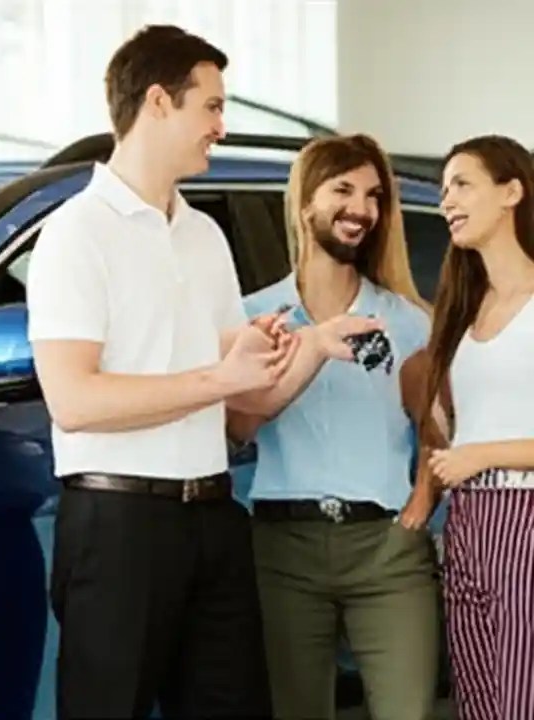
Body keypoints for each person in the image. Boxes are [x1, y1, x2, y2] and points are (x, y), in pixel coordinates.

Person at [26, 24, 343, 719]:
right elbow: (74, 400)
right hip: (118, 527)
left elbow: (240, 409)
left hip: (215, 517)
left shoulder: (203, 235)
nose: (221, 127)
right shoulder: (75, 233)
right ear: (158, 102)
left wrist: (302, 349)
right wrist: (221, 378)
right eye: (212, 106)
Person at [228, 134, 441, 720]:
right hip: (283, 547)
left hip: (386, 549)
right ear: (305, 204)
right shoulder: (254, 317)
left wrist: (419, 506)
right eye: (343, 190)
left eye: (373, 196)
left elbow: (437, 429)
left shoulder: (407, 321)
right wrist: (309, 349)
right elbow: (238, 427)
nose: (361, 208)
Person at [410, 134, 534, 720]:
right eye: (443, 191)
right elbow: (446, 422)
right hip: (467, 521)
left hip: (524, 515)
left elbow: (476, 444)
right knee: (478, 700)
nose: (447, 202)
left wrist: (481, 455)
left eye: (462, 184)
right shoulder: (463, 306)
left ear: (512, 192)